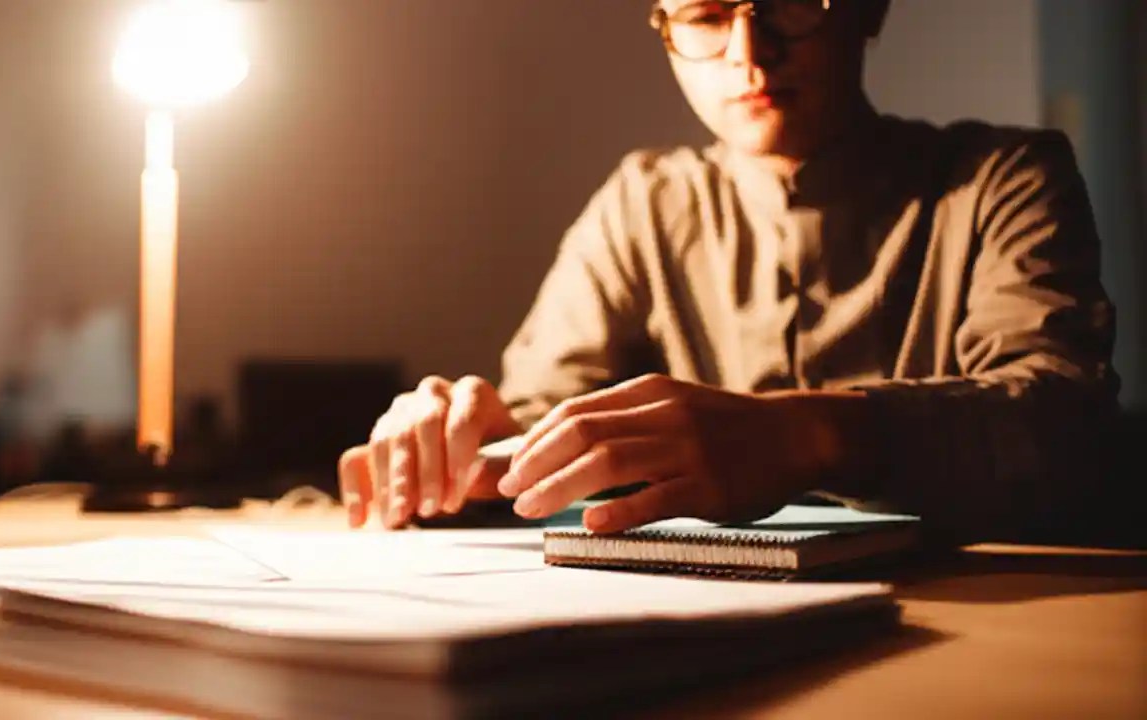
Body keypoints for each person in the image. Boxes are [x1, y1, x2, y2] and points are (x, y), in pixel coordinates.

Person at [338, 0, 1118, 542]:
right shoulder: (643, 204)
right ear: (667, 31)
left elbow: (1062, 421)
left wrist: (804, 435)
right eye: (705, 16)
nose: (749, 55)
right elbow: (548, 417)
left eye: (787, 5)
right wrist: (479, 450)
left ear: (867, 9)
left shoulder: (1000, 177)